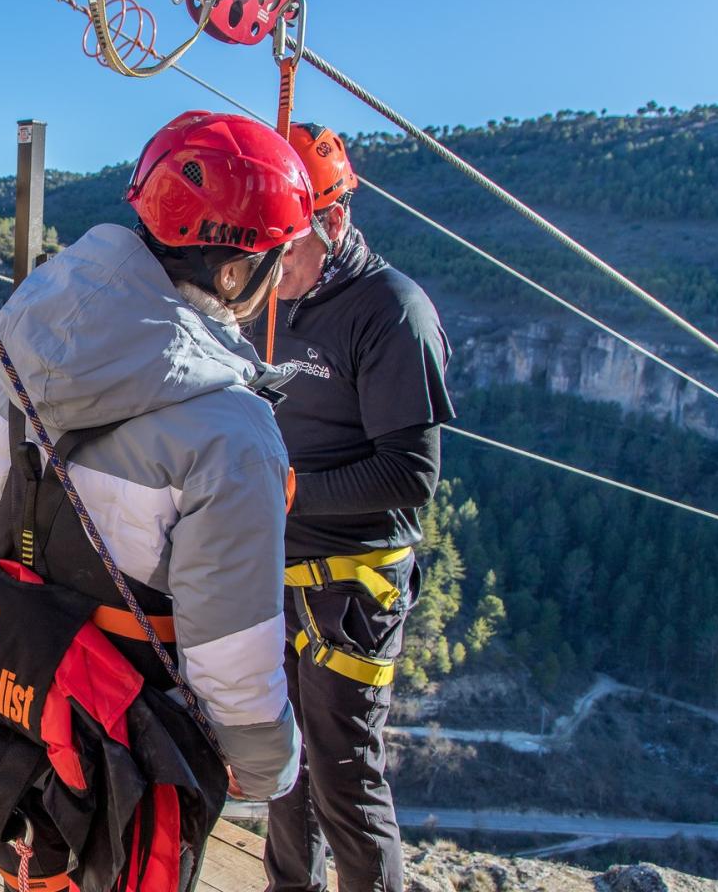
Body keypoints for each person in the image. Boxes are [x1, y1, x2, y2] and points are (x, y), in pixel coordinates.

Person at [0, 111, 313, 891]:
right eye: (273, 264)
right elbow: (230, 644)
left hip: (15, 704)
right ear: (237, 274)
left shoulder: (17, 341)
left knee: (31, 869)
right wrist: (262, 765)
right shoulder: (231, 432)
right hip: (128, 751)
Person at [250, 123, 455, 892]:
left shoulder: (392, 312)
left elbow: (411, 476)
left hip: (350, 589)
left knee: (344, 780)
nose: (275, 268)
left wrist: (293, 488)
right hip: (281, 570)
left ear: (333, 223)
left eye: (289, 250)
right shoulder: (279, 301)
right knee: (284, 769)